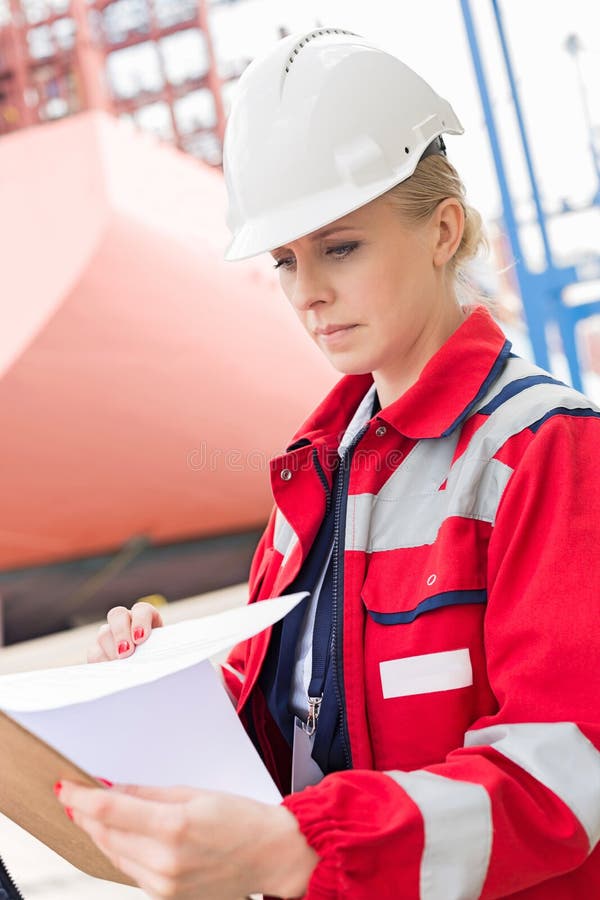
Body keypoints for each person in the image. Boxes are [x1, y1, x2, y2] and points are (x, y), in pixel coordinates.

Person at [55, 27, 600, 899]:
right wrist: (162, 700)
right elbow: (284, 743)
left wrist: (298, 847)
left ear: (441, 231)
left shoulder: (548, 450)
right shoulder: (314, 478)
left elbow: (564, 782)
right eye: (284, 260)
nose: (306, 290)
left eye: (339, 247)